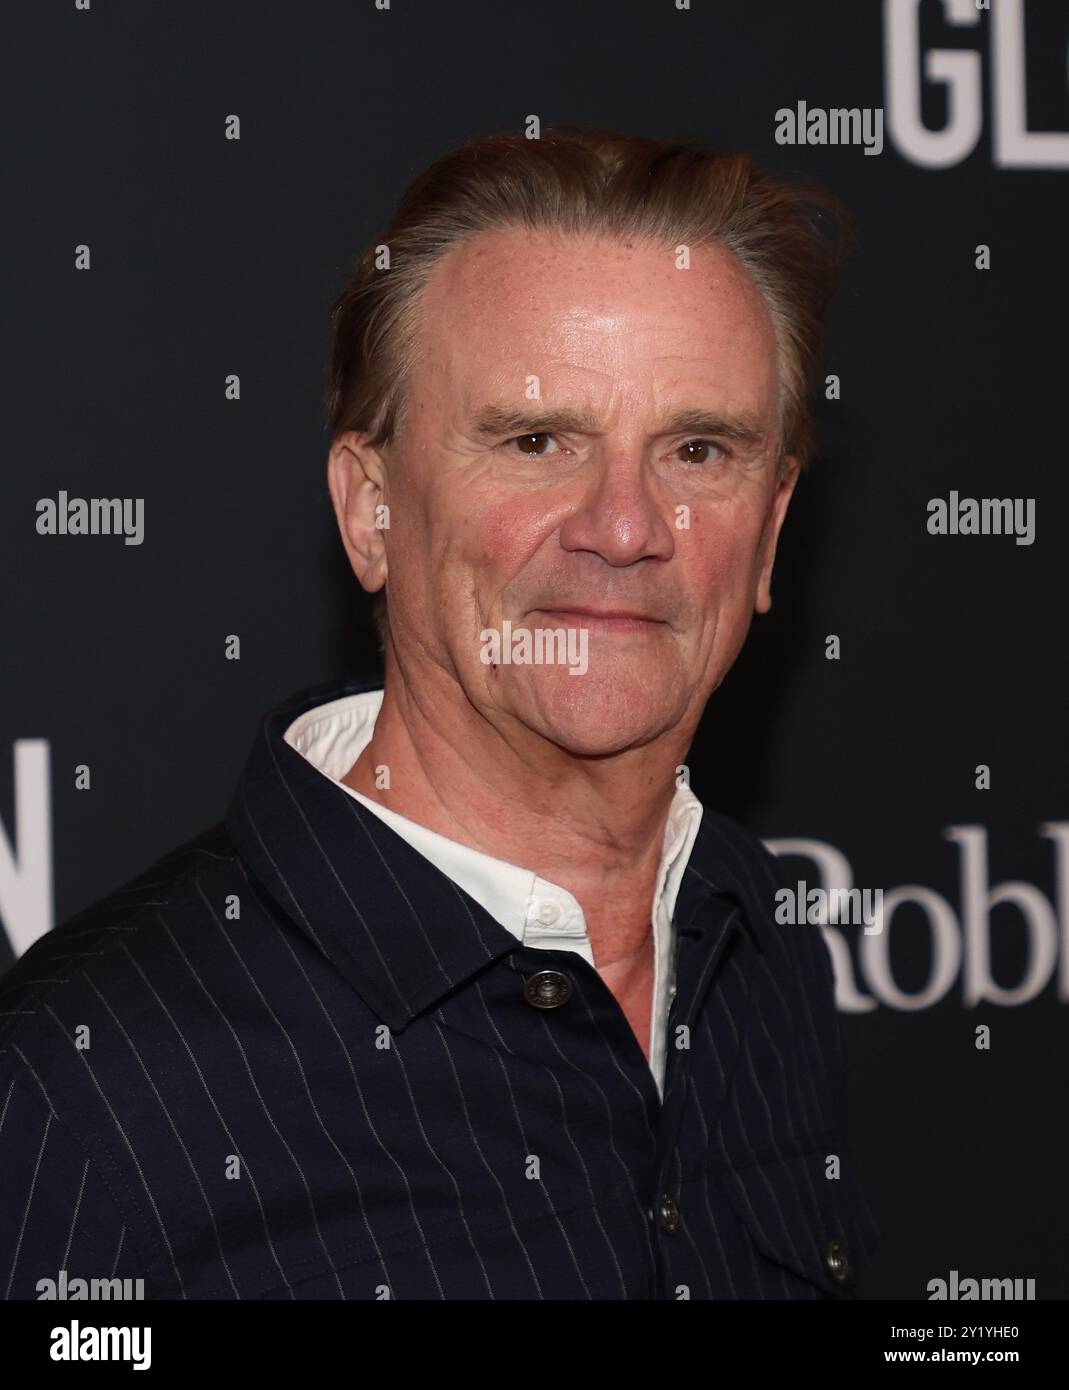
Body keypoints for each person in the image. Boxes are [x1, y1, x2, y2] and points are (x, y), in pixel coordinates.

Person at [0, 126, 879, 1300]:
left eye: (698, 448)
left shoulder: (758, 948)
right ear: (370, 508)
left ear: (769, 532)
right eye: (534, 440)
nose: (624, 526)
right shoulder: (84, 1087)